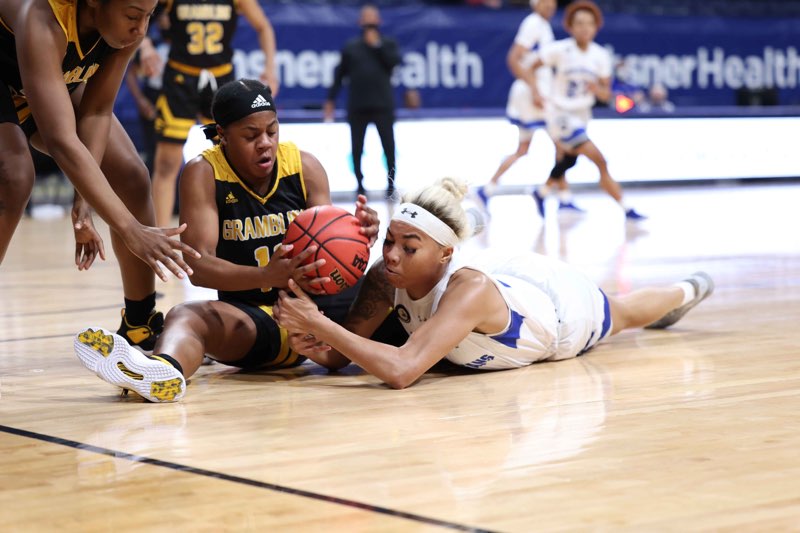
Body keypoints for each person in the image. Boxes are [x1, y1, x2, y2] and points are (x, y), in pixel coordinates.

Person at [73, 79, 381, 402]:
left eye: (272, 131)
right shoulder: (203, 173)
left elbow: (329, 245)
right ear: (222, 135)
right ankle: (161, 371)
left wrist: (358, 235)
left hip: (313, 317)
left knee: (382, 280)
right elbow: (197, 264)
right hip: (252, 320)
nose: (265, 143)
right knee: (185, 317)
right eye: (251, 135)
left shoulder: (304, 167)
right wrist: (265, 276)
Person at [271, 177, 714, 390]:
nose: (390, 255)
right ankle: (466, 221)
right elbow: (339, 355)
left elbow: (403, 371)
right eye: (389, 241)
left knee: (623, 313)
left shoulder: (470, 291)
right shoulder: (384, 279)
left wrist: (321, 324)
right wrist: (318, 344)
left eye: (409, 247)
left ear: (443, 253)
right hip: (496, 273)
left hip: (556, 311)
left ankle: (686, 290)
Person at [0, 0, 200, 350]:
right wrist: (130, 229)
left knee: (131, 177)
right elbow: (61, 140)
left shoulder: (125, 26)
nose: (141, 29)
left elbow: (95, 110)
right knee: (14, 176)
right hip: (7, 76)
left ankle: (140, 323)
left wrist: (84, 202)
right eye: (134, 16)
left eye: (148, 17)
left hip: (40, 78)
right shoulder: (45, 17)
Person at [140, 0, 279, 227]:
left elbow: (263, 26)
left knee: (230, 157)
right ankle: (161, 236)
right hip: (180, 79)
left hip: (221, 81)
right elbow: (138, 12)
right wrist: (144, 45)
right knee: (166, 162)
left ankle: (235, 227)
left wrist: (271, 68)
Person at [525, 0, 646, 220]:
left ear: (596, 26)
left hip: (582, 115)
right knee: (600, 160)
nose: (584, 28)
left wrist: (597, 88)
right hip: (559, 113)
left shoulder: (600, 56)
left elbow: (605, 94)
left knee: (569, 160)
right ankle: (626, 208)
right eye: (579, 23)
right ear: (570, 26)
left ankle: (541, 192)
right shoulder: (560, 49)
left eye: (589, 23)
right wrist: (535, 91)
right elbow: (531, 66)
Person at [477, 0, 583, 214]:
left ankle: (487, 189)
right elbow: (514, 59)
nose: (550, 6)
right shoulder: (533, 23)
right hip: (534, 94)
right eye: (545, 2)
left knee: (525, 149)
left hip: (534, 92)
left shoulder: (541, 25)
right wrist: (534, 89)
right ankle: (560, 197)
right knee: (563, 145)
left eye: (553, 3)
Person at [324, 4, 401, 199]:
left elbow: (393, 63)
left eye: (372, 18)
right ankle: (360, 184)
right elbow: (339, 74)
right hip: (358, 105)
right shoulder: (351, 47)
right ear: (360, 22)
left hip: (382, 105)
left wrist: (377, 45)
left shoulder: (388, 44)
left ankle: (390, 184)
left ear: (379, 21)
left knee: (389, 147)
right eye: (365, 19)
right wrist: (331, 100)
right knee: (357, 147)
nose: (369, 23)